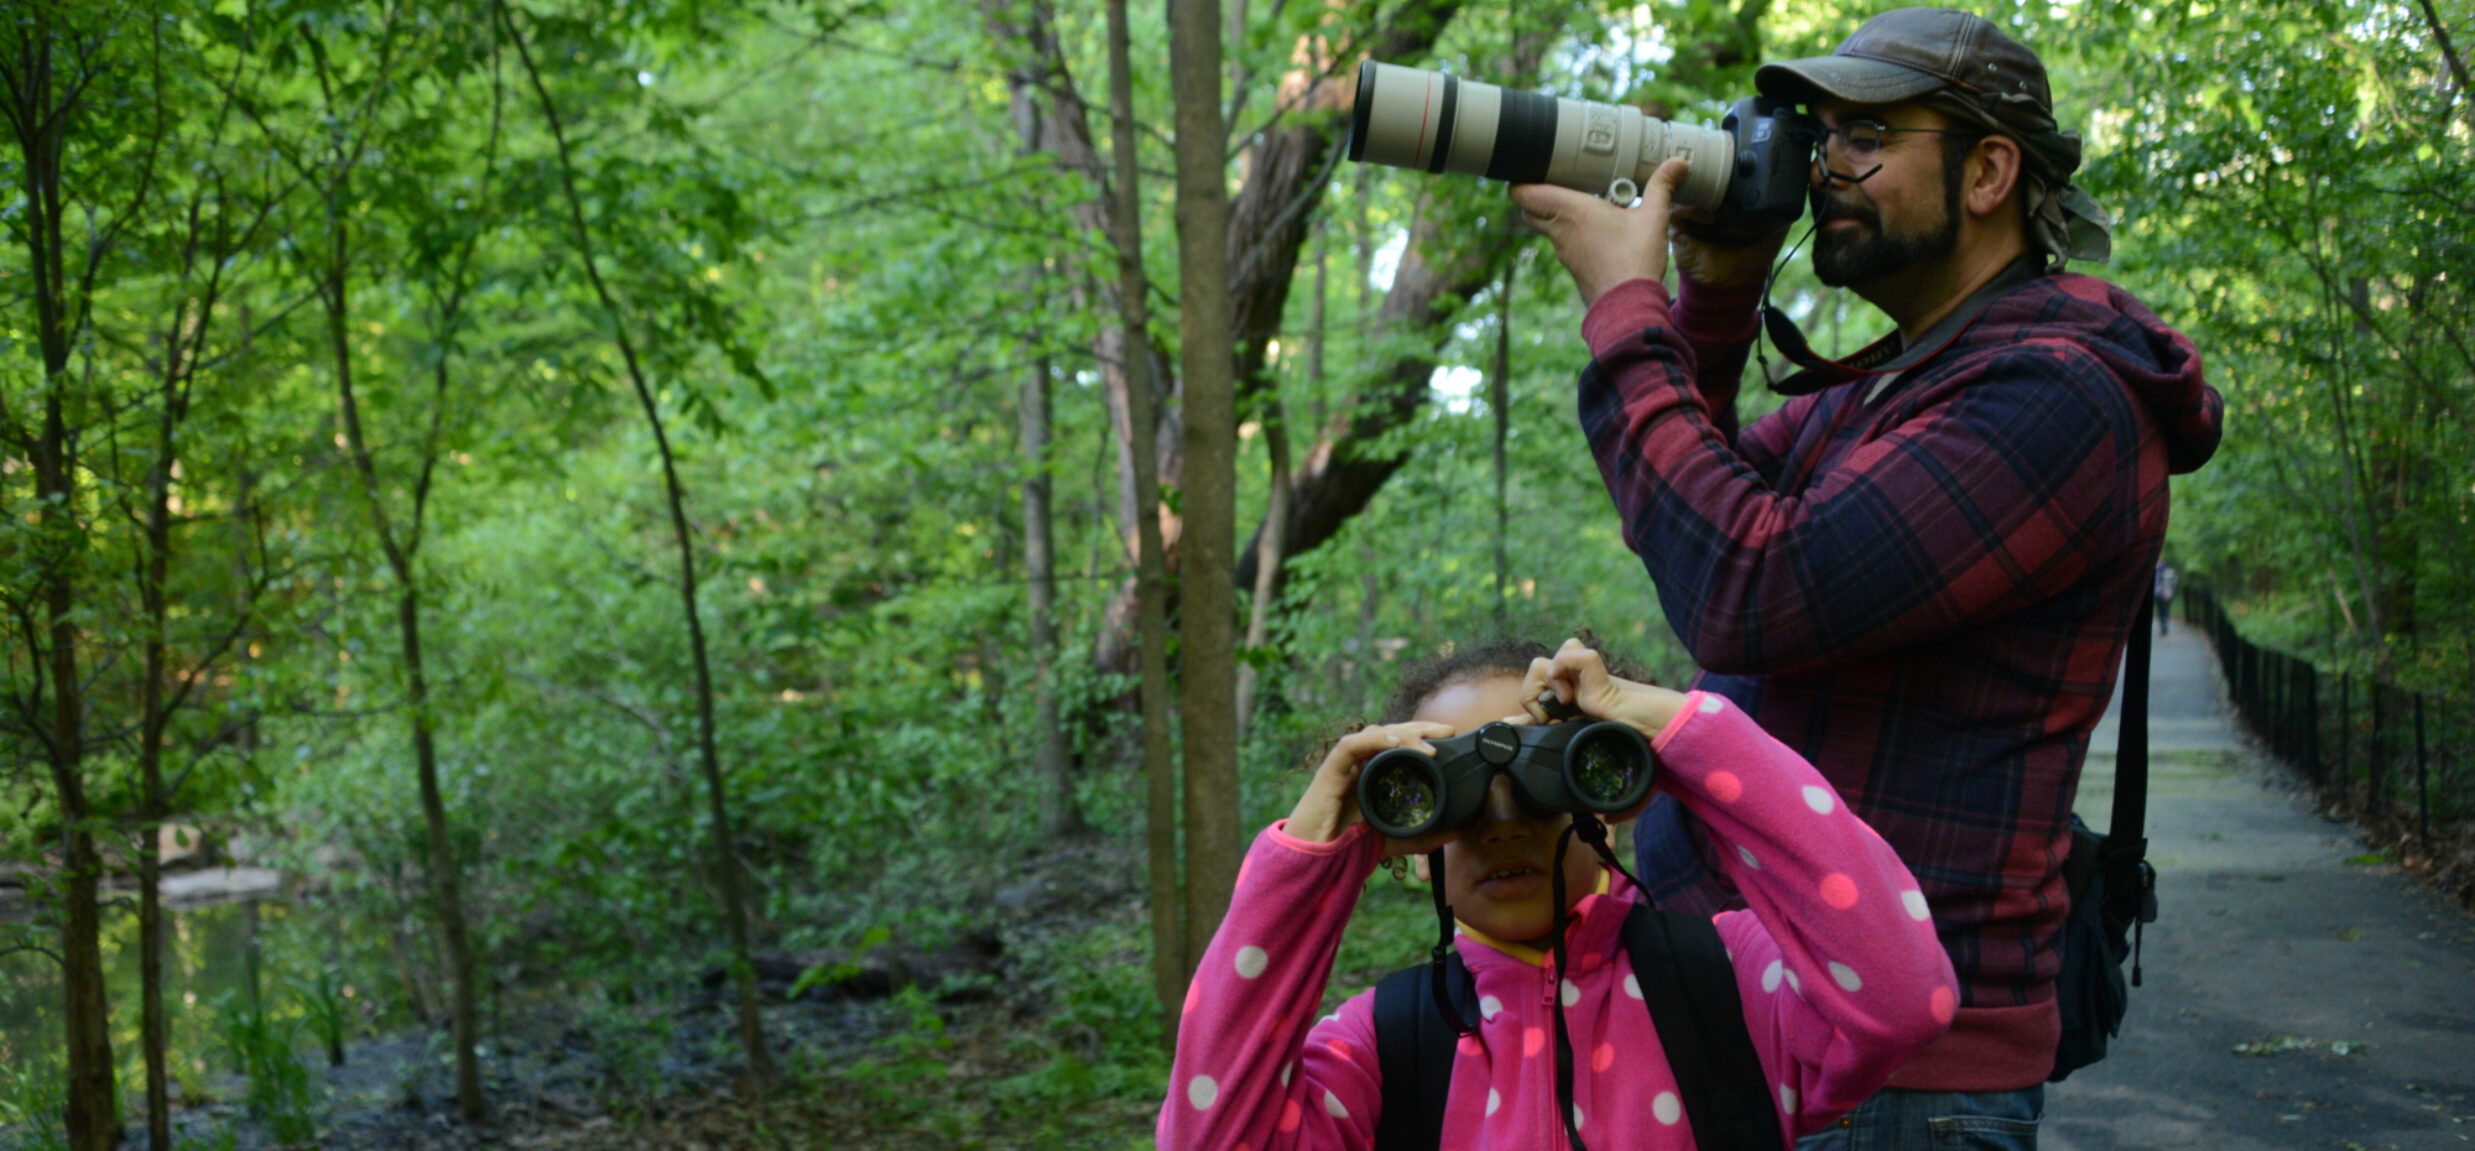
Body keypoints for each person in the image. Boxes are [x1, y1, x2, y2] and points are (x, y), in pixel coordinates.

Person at [1506, 8, 2226, 1147]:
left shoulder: (2056, 399)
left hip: (1897, 1072)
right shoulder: (1898, 383)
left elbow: (1743, 594)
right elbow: (1695, 516)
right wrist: (1714, 291)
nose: (1822, 168)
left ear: (1989, 170)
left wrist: (1622, 307)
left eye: (1867, 138)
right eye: (1821, 135)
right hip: (1765, 1019)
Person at [1158, 637, 1956, 1150]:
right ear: (1408, 834)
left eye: (1542, 778)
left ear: (1605, 788)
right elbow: (1210, 1137)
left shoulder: (1729, 977)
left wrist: (1686, 734)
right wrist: (1312, 858)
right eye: (1457, 799)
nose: (1502, 823)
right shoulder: (1383, 1044)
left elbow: (1901, 995)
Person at [2155, 562, 2178, 636]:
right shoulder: (2170, 572)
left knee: (2161, 610)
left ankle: (2163, 624)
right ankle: (2164, 623)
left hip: (2159, 594)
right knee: (2165, 610)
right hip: (2167, 594)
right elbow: (2175, 582)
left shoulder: (2157, 571)